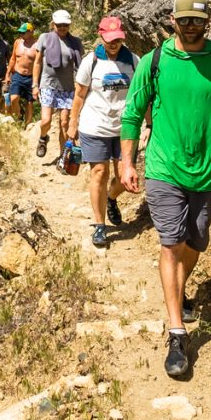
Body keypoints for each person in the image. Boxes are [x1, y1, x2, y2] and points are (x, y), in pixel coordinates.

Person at [119, 0, 211, 379]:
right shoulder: (155, 61)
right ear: (173, 21)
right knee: (171, 242)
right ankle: (176, 332)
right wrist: (127, 162)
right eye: (185, 21)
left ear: (208, 22)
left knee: (197, 240)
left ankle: (177, 292)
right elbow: (132, 113)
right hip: (164, 167)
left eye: (199, 20)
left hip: (209, 171)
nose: (192, 26)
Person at [67, 15, 138, 248]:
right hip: (94, 124)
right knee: (99, 172)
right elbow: (79, 94)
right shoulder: (91, 61)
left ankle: (111, 198)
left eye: (117, 39)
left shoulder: (134, 61)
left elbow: (142, 95)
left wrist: (149, 123)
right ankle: (100, 225)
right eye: (109, 40)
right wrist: (72, 123)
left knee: (123, 177)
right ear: (101, 36)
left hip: (125, 128)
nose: (113, 44)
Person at [33, 10, 83, 158]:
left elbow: (79, 66)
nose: (62, 28)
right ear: (53, 24)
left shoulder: (75, 42)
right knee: (46, 120)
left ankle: (64, 157)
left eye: (65, 25)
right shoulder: (44, 38)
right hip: (48, 84)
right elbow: (36, 63)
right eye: (59, 25)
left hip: (67, 88)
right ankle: (43, 138)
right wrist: (35, 85)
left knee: (64, 122)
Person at [6, 23, 38, 124]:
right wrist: (7, 74)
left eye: (23, 33)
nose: (21, 34)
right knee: (13, 98)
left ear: (31, 32)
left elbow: (39, 63)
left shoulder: (37, 44)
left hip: (31, 76)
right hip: (18, 74)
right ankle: (18, 119)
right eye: (20, 32)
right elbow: (13, 59)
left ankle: (28, 124)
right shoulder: (18, 42)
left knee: (29, 103)